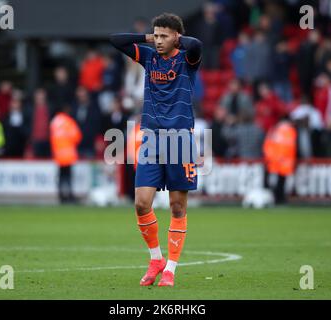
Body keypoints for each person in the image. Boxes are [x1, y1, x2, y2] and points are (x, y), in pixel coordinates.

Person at [110, 12, 202, 287]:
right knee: (140, 203)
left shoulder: (187, 59)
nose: (159, 41)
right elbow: (116, 41)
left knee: (176, 206)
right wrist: (148, 37)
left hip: (180, 140)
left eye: (164, 36)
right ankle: (155, 259)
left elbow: (196, 44)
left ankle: (171, 268)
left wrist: (175, 38)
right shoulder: (149, 58)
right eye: (156, 35)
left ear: (176, 36)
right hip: (151, 138)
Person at [50, 105, 82, 204]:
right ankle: (69, 195)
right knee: (68, 176)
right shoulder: (69, 121)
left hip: (58, 153)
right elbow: (77, 136)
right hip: (68, 153)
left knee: (61, 175)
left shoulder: (54, 121)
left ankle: (61, 195)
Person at [263, 116, 297, 205]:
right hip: (286, 162)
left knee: (272, 182)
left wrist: (268, 158)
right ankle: (280, 199)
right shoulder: (291, 131)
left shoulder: (274, 130)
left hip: (273, 161)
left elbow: (267, 145)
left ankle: (271, 199)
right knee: (282, 182)